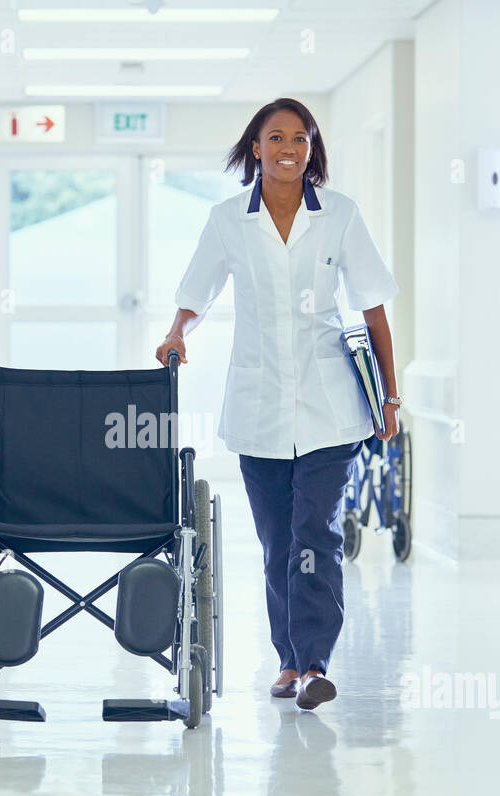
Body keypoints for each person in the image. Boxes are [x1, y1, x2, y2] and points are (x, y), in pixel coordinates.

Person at [154, 97, 401, 712]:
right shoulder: (226, 220)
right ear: (256, 147)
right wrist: (178, 330)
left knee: (313, 530)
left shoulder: (339, 215)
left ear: (311, 150)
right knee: (276, 542)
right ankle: (287, 659)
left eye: (301, 138)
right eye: (277, 137)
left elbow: (373, 307)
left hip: (330, 407)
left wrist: (390, 397)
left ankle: (315, 662)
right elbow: (197, 290)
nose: (289, 148)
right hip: (259, 405)